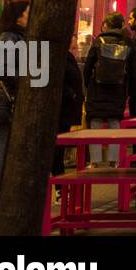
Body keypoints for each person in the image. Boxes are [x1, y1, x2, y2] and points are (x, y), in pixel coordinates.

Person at [0, 0, 28, 215]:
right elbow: (4, 69)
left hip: (11, 96)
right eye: (27, 12)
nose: (29, 16)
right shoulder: (8, 37)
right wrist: (24, 81)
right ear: (18, 15)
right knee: (3, 143)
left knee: (7, 143)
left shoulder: (16, 36)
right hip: (7, 98)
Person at [83, 12, 133, 167]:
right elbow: (132, 68)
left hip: (98, 89)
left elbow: (88, 65)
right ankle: (114, 160)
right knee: (114, 123)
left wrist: (88, 85)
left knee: (96, 123)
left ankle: (95, 161)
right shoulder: (126, 42)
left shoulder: (99, 41)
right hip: (118, 89)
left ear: (107, 25)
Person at [53, 35, 85, 178]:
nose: (75, 42)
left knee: (60, 145)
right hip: (63, 108)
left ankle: (59, 180)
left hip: (68, 108)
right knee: (58, 146)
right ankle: (59, 182)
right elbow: (58, 80)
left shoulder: (67, 57)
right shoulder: (61, 58)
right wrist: (71, 94)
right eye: (73, 39)